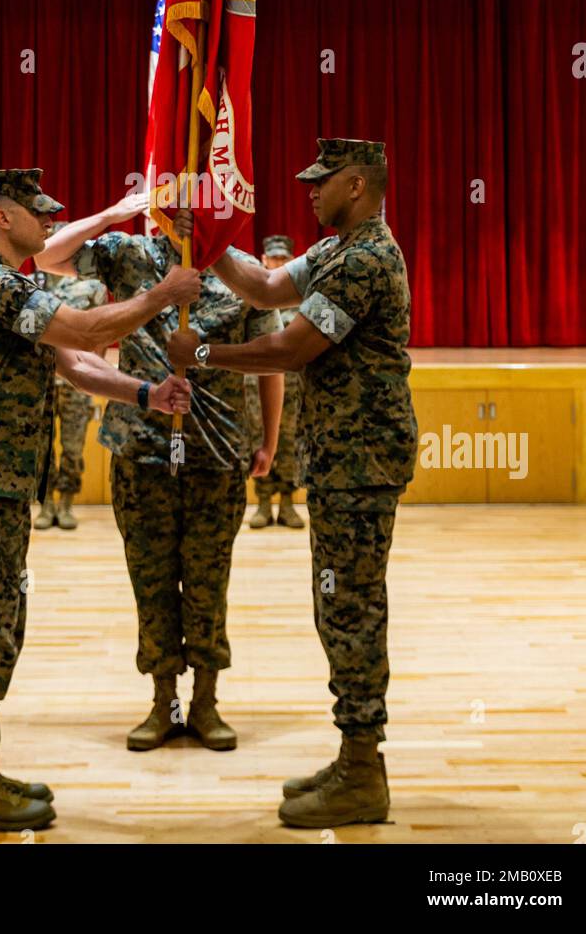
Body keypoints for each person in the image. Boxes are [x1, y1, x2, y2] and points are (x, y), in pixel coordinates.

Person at [0, 168, 198, 833]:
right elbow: (86, 331)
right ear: (4, 217)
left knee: (0, 623)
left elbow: (73, 360)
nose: (50, 220)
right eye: (38, 211)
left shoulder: (21, 284)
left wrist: (143, 394)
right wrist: (160, 294)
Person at [168, 139, 418, 828]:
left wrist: (206, 352)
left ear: (359, 185)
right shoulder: (338, 250)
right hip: (343, 461)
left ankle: (364, 770)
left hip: (362, 461)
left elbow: (290, 345)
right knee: (337, 607)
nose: (309, 191)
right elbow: (263, 289)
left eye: (323, 181)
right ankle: (354, 756)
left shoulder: (366, 259)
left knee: (352, 612)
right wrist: (211, 245)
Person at [37, 212, 284, 752]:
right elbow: (46, 256)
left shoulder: (243, 274)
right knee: (150, 583)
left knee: (207, 584)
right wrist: (113, 212)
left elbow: (270, 362)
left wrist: (269, 439)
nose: (188, 213)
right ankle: (164, 699)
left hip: (216, 453)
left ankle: (206, 702)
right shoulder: (130, 256)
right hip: (141, 451)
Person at [35, 222, 108, 531]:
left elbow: (102, 333)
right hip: (41, 378)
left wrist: (95, 369)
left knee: (73, 443)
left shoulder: (91, 286)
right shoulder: (32, 284)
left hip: (78, 376)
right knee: (42, 443)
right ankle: (46, 503)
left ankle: (66, 502)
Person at [245, 235, 303, 529]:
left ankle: (289, 503)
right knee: (259, 437)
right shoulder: (252, 299)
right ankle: (264, 502)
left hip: (294, 385)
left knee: (291, 440)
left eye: (283, 258)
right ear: (263, 260)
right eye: (274, 258)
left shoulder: (303, 300)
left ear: (291, 261)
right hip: (259, 384)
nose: (278, 263)